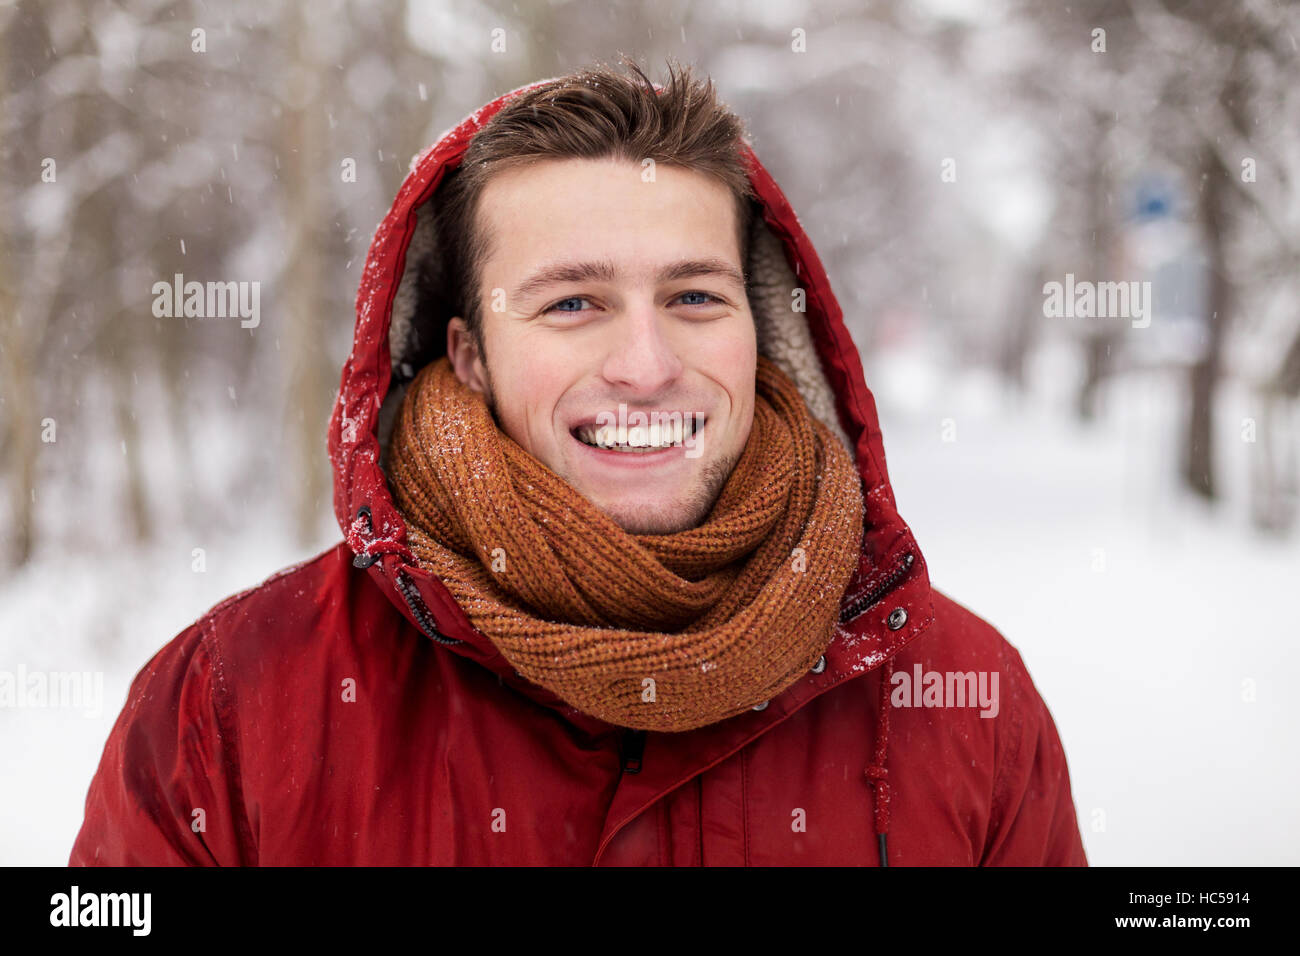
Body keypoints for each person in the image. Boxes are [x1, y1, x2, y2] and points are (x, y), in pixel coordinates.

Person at [70, 59, 1087, 866]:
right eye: (571, 302)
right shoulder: (229, 709)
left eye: (693, 297)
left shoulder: (961, 695)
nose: (645, 365)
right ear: (467, 353)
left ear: (761, 326)